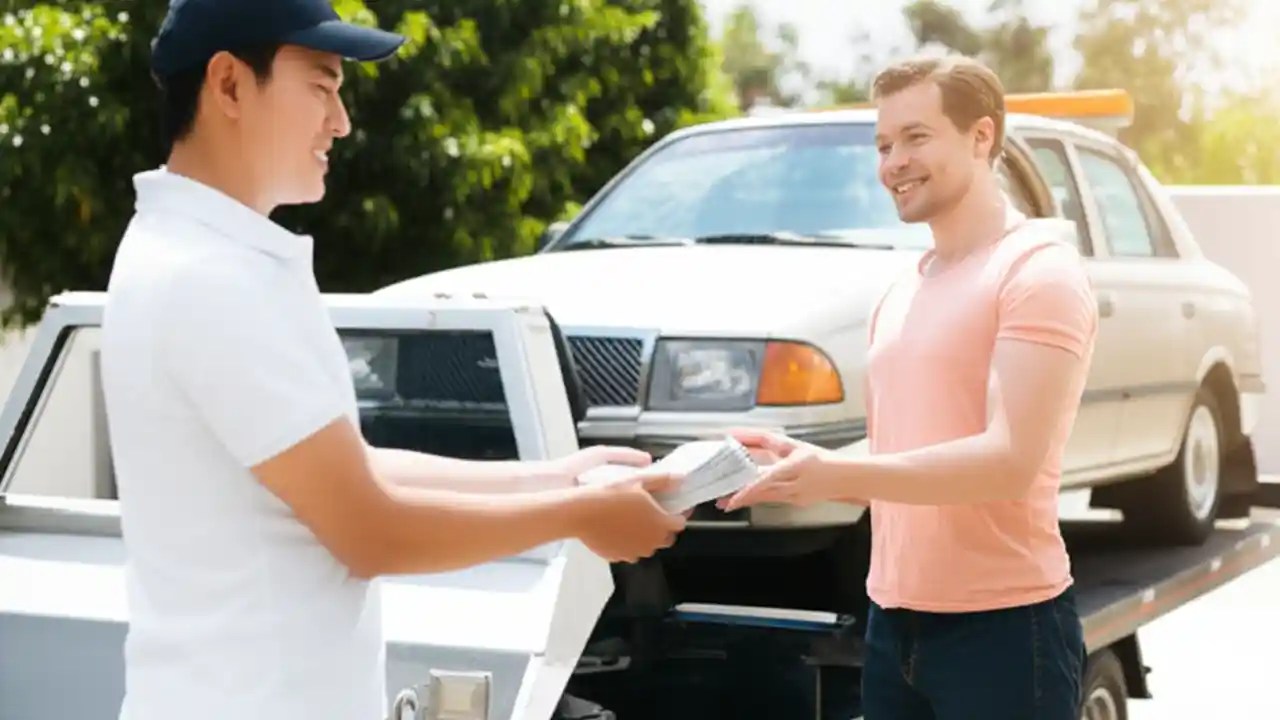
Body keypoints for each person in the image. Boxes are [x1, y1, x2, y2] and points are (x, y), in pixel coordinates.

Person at [99, 2, 686, 719]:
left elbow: (351, 471)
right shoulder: (210, 277)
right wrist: (576, 514)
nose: (341, 121)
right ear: (227, 86)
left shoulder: (194, 254)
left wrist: (561, 475)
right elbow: (369, 530)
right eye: (321, 87)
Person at [722, 54, 1097, 719]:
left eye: (916, 138)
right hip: (893, 625)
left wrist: (836, 472)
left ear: (982, 137)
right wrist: (802, 465)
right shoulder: (902, 288)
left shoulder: (1037, 272)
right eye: (884, 144)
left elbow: (1009, 461)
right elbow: (902, 444)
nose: (893, 161)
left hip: (1005, 629)